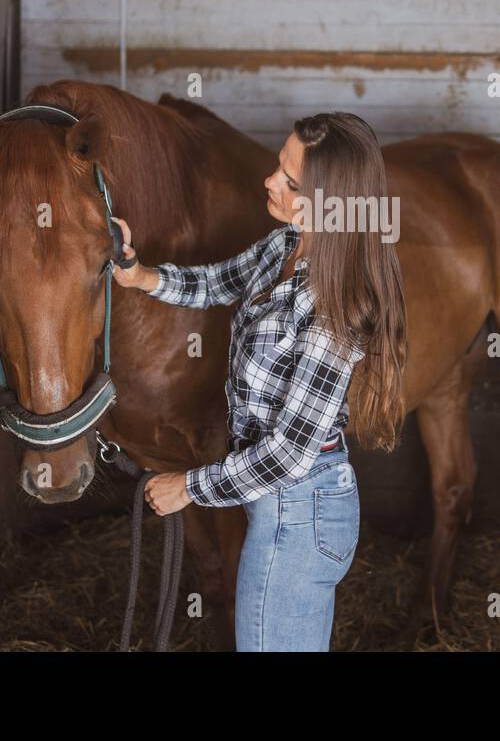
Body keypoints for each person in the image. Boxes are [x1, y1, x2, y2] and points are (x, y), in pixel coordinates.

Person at [110, 112, 407, 651]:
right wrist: (139, 274)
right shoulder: (285, 247)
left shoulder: (338, 303)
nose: (270, 181)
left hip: (298, 505)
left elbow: (290, 452)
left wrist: (189, 487)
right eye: (279, 165)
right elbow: (215, 281)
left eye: (291, 182)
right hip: (282, 504)